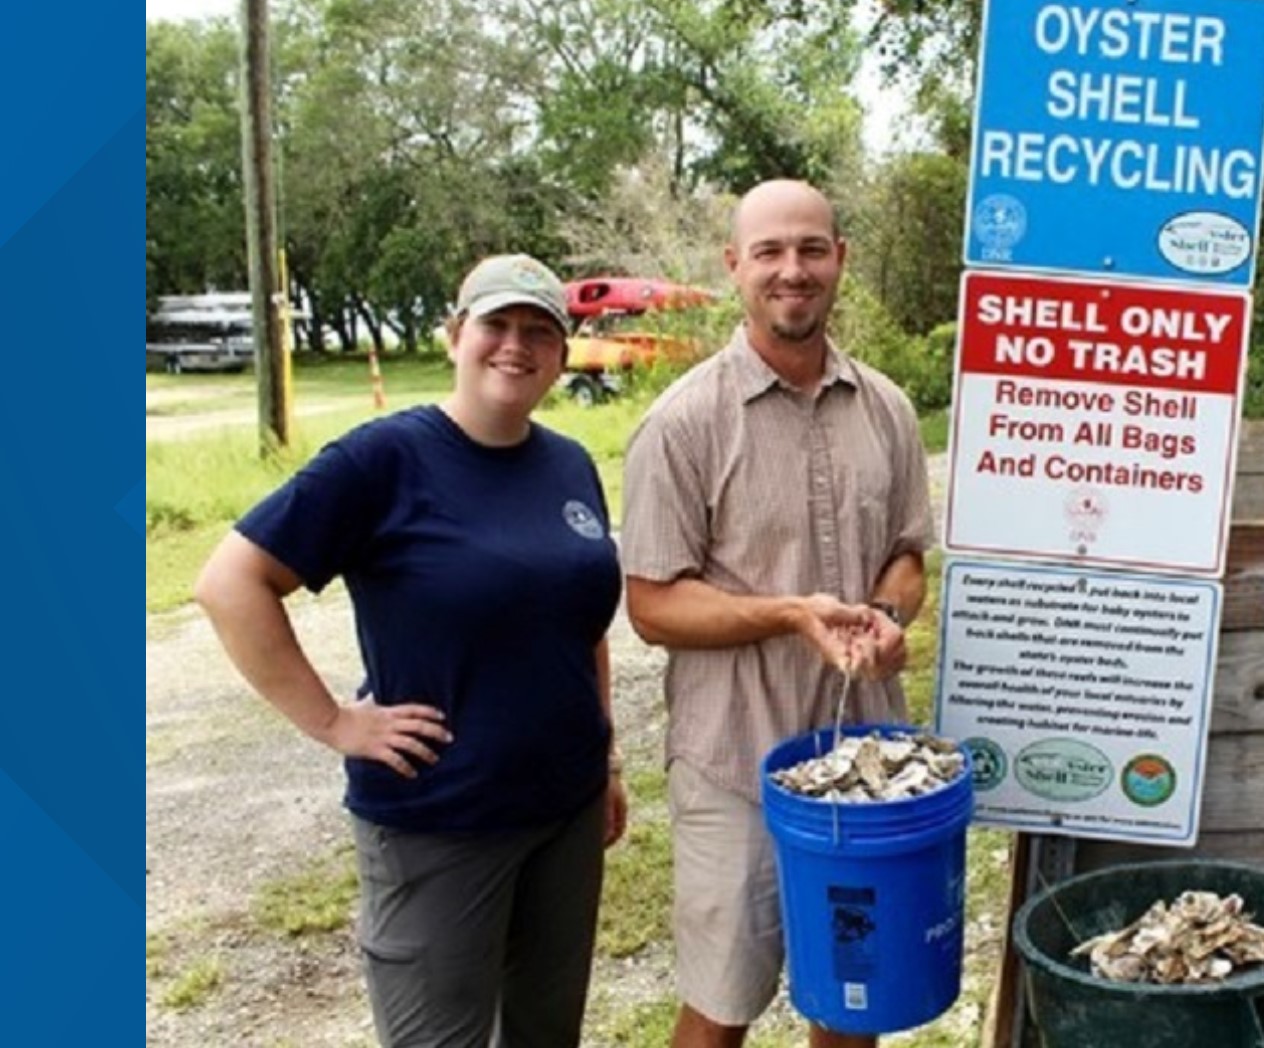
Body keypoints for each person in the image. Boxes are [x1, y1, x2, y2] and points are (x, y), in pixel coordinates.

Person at [194, 254, 626, 1048]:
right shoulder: (382, 460)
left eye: (539, 331)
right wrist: (334, 722)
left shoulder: (568, 463)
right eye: (496, 324)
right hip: (440, 820)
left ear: (562, 354)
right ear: (455, 335)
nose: (516, 345)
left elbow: (581, 623)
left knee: (545, 1033)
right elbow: (231, 582)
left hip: (565, 812)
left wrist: (608, 758)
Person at [619, 178, 933, 1048]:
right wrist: (791, 613)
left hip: (865, 766)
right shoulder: (682, 423)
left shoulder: (888, 408)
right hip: (735, 767)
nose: (792, 270)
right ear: (735, 266)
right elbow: (651, 605)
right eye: (769, 252)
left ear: (840, 260)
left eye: (811, 249)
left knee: (852, 997)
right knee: (722, 1007)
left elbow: (908, 557)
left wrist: (885, 613)